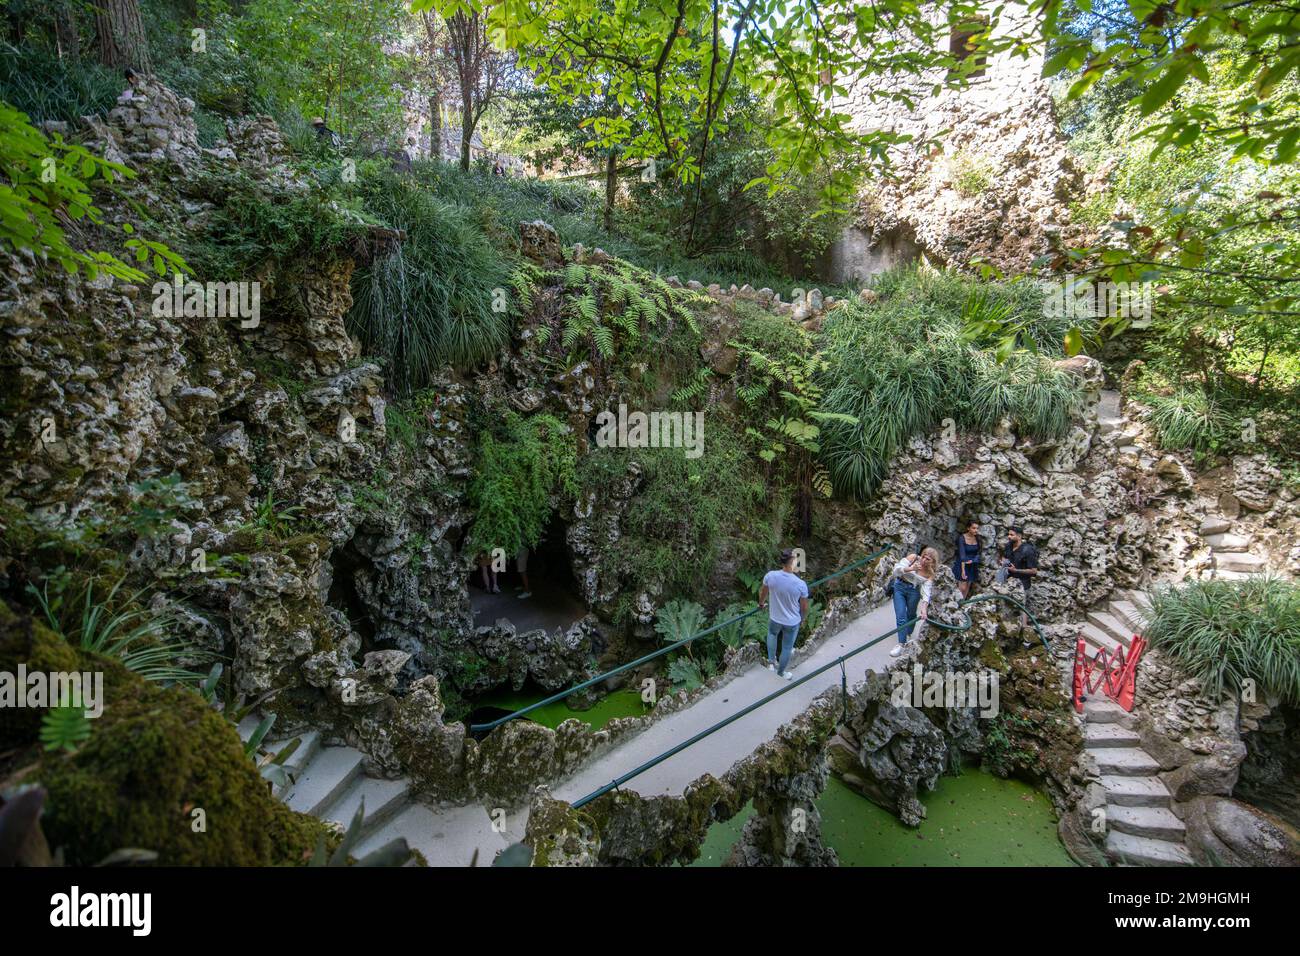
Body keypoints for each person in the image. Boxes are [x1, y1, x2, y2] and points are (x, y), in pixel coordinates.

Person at [758, 548, 809, 680]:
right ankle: (780, 673)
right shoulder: (800, 584)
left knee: (772, 634)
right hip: (792, 622)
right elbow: (804, 607)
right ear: (792, 561)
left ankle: (771, 664)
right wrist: (802, 619)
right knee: (786, 647)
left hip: (775, 617)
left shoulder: (770, 576)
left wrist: (761, 604)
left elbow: (763, 593)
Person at [889, 547, 939, 657]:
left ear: (933, 562)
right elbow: (896, 570)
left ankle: (907, 632)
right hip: (899, 587)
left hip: (914, 591)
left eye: (928, 559)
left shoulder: (930, 573)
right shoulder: (913, 558)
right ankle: (901, 644)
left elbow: (926, 592)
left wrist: (924, 609)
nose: (924, 560)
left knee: (911, 614)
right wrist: (910, 568)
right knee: (901, 615)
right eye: (924, 556)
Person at [1000, 526, 1039, 643]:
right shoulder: (1008, 546)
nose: (1009, 536)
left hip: (1022, 583)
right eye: (1008, 534)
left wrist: (1016, 570)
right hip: (1008, 582)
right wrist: (1003, 562)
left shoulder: (1028, 550)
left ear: (1019, 536)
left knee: (1022, 607)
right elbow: (1004, 557)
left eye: (1012, 535)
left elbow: (1033, 571)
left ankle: (1024, 630)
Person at [952, 519, 982, 598]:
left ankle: (962, 604)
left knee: (968, 586)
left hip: (972, 564)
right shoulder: (962, 538)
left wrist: (974, 560)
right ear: (968, 528)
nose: (976, 530)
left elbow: (979, 553)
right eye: (974, 528)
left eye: (977, 528)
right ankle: (955, 604)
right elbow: (962, 555)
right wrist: (963, 570)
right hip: (962, 564)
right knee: (962, 587)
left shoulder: (978, 539)